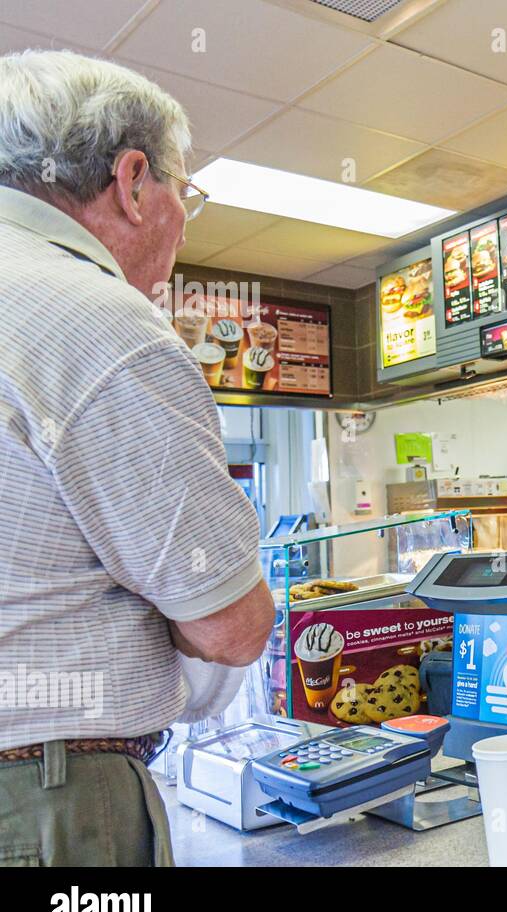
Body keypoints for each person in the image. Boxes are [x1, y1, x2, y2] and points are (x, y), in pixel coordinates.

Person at [0, 50, 274, 865]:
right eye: (183, 194)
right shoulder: (95, 316)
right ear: (132, 179)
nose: (184, 222)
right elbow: (231, 624)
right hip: (50, 804)